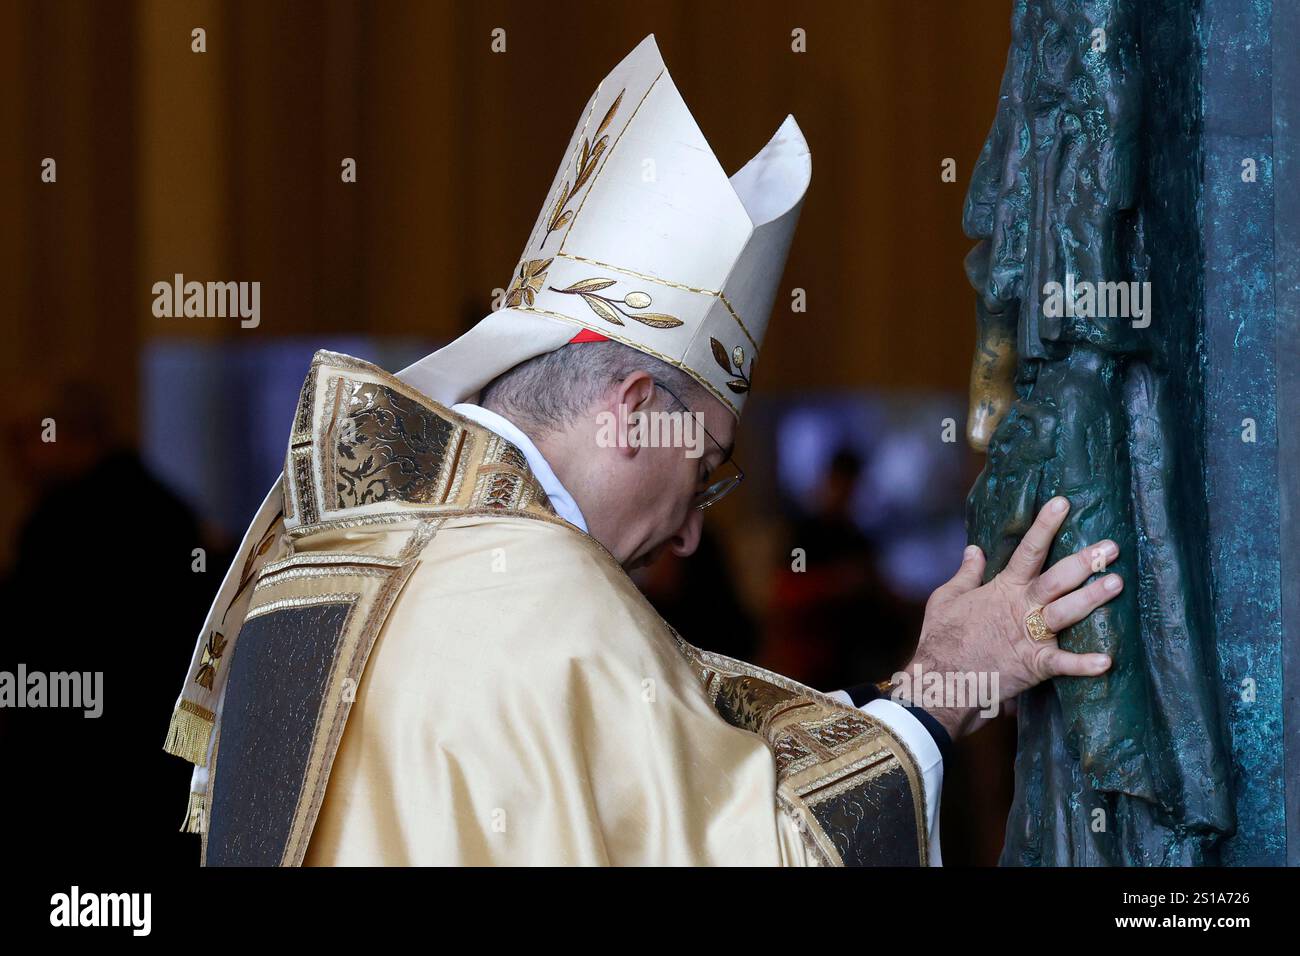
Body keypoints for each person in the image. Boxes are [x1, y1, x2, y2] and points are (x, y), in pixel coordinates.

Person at [163, 35, 1121, 866]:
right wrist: (947, 692)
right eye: (706, 470)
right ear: (630, 411)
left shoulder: (318, 567)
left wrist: (911, 686)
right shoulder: (544, 593)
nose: (696, 533)